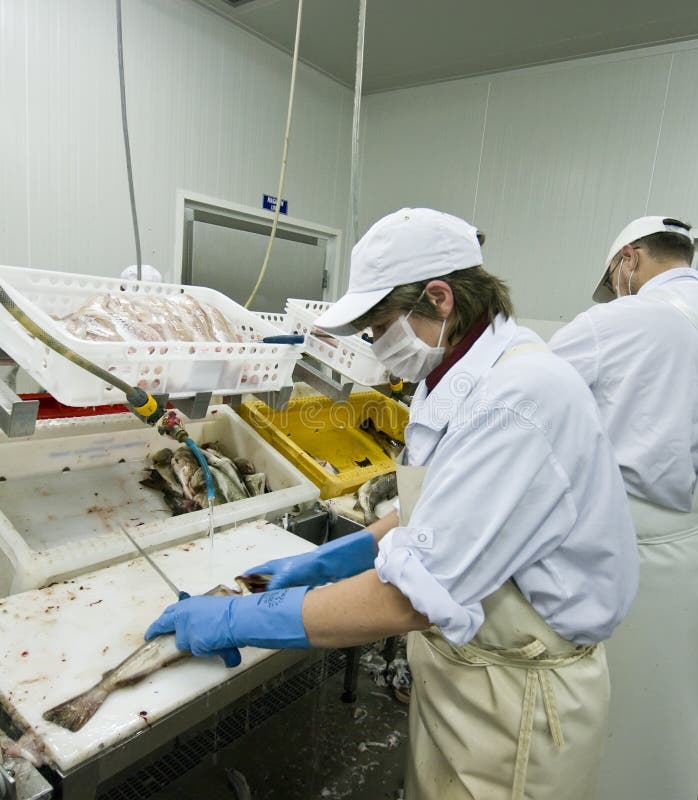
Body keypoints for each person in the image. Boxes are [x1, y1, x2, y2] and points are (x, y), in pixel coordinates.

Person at [146, 207, 639, 799]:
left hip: (518, 701)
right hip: (471, 673)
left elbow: (411, 598)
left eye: (379, 328)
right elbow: (441, 509)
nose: (376, 347)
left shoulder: (520, 397)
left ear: (439, 299)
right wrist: (337, 558)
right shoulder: (457, 376)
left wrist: (238, 618)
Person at [549, 216, 698, 800]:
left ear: (628, 258)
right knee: (676, 725)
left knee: (602, 729)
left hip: (633, 562)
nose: (616, 287)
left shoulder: (615, 322)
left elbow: (527, 408)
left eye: (614, 276)